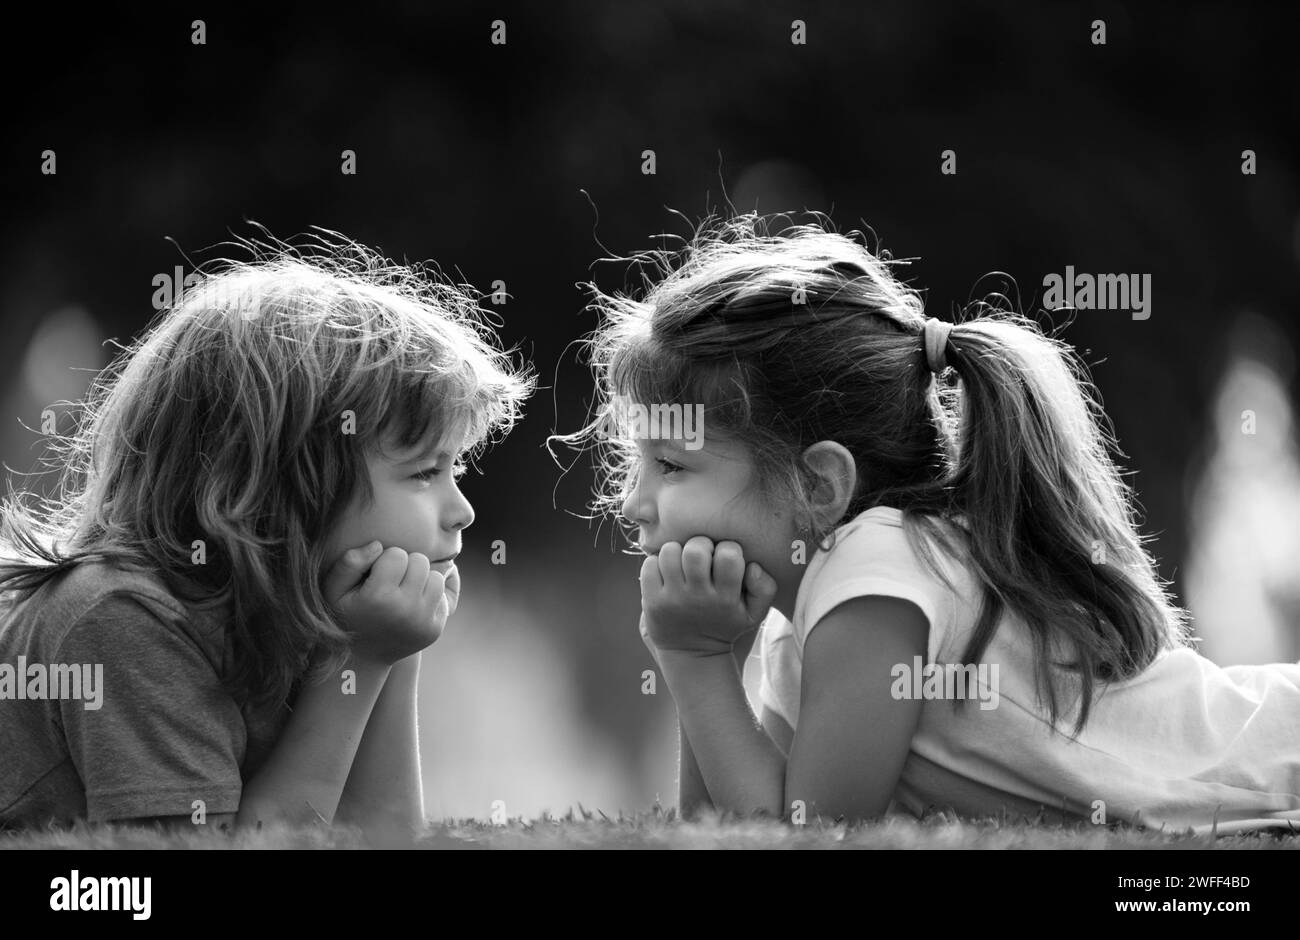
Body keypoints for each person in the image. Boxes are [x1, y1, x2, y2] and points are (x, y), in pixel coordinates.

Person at [569, 211, 1300, 835]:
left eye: (670, 466)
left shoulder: (877, 569)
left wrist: (697, 663)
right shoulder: (820, 617)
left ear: (819, 484)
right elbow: (723, 830)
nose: (634, 502)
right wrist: (715, 655)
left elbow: (801, 842)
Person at [0, 231, 533, 835]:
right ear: (284, 484)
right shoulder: (123, 618)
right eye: (424, 473)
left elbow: (382, 836)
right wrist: (359, 661)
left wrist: (386, 654)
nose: (462, 510)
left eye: (454, 469)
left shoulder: (325, 612)